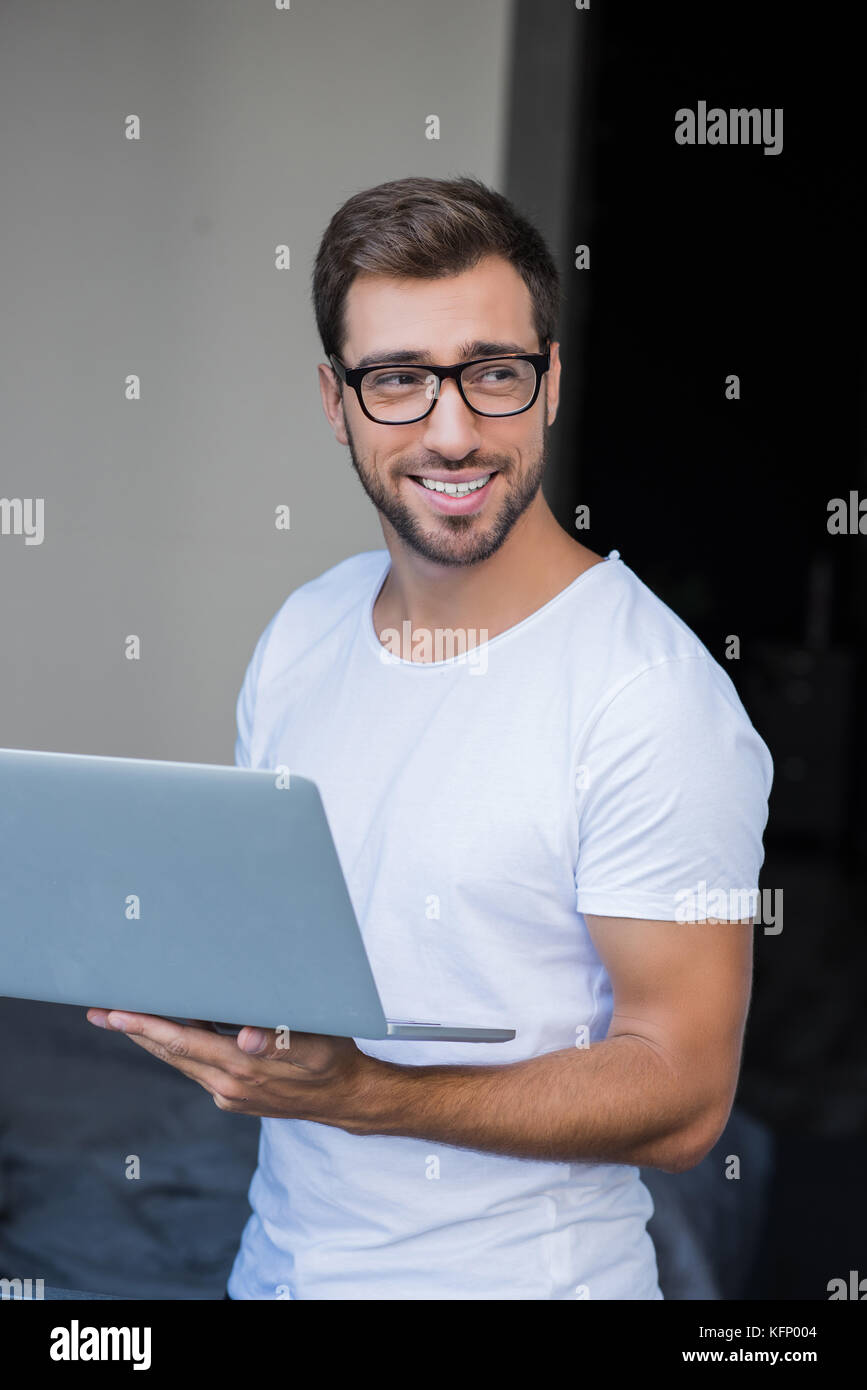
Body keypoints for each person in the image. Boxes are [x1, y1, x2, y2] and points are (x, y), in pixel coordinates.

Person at [88, 175, 773, 1300]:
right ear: (335, 398)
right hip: (278, 1274)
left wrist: (366, 1093)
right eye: (398, 381)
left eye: (492, 374)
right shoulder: (304, 630)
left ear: (548, 384)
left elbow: (686, 1096)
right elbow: (308, 959)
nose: (452, 432)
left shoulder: (649, 696)